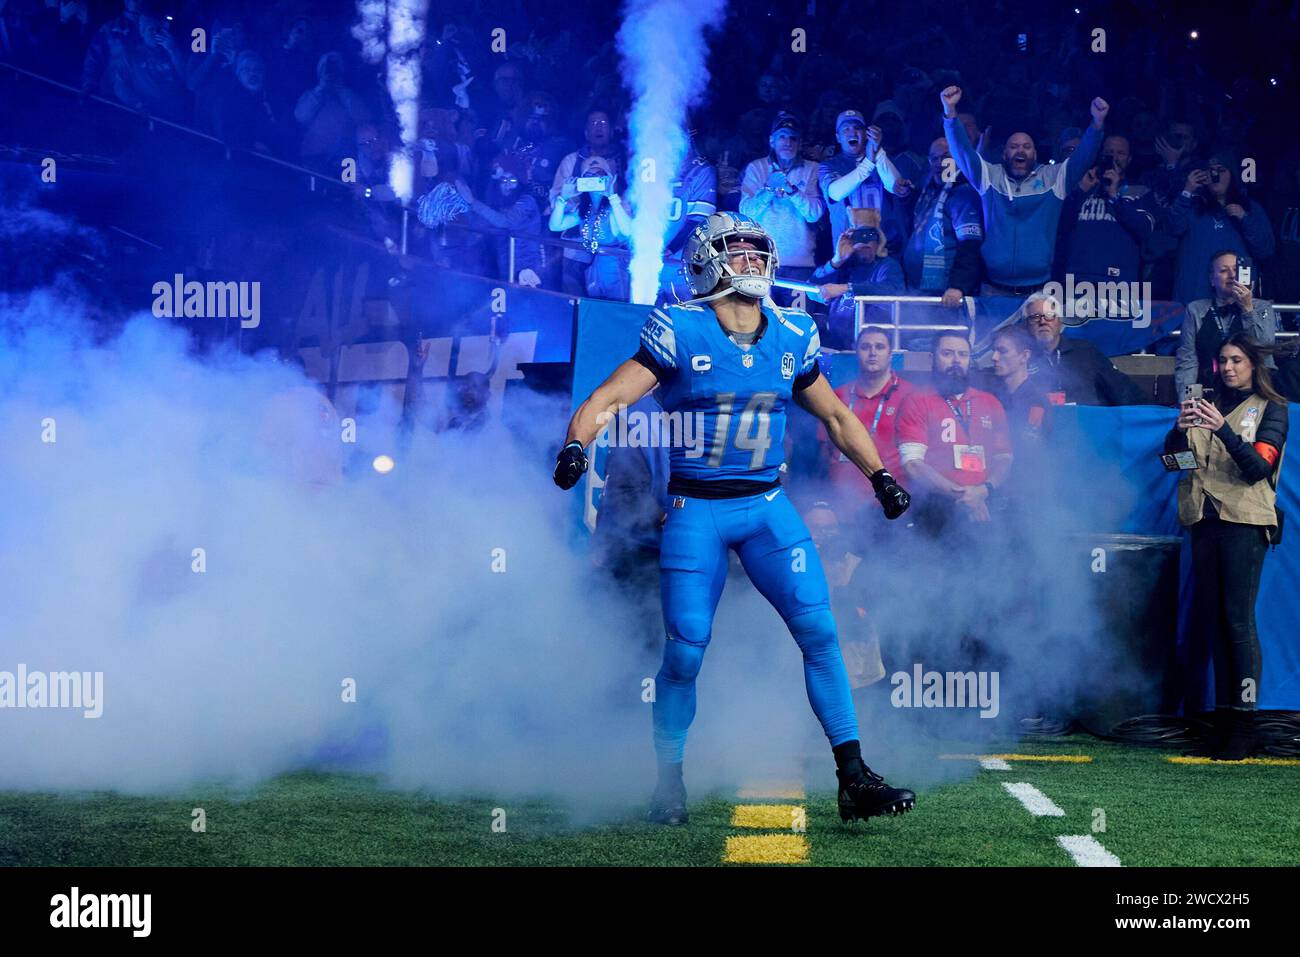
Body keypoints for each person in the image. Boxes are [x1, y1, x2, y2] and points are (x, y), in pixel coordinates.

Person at [552, 212, 915, 827]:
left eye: (756, 250)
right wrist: (575, 445)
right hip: (697, 508)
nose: (751, 260)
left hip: (767, 507)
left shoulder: (792, 332)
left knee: (822, 634)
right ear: (706, 262)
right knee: (686, 652)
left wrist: (880, 475)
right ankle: (669, 781)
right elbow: (608, 398)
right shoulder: (680, 329)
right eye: (737, 250)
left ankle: (854, 777)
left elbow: (834, 418)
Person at [1165, 334, 1288, 760]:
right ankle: (1222, 717)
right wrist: (1178, 436)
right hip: (1204, 520)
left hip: (1245, 523)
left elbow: (1257, 468)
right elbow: (1173, 465)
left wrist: (1223, 429)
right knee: (1214, 621)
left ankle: (1245, 723)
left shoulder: (1272, 408)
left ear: (1254, 365)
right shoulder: (1202, 409)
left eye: (1237, 360)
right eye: (1223, 360)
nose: (1229, 367)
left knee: (1237, 621)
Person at [940, 84, 1108, 296]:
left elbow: (1083, 157)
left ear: (1035, 154)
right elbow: (963, 152)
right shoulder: (989, 177)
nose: (1020, 150)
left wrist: (1097, 124)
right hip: (993, 288)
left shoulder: (1054, 178)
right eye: (1014, 146)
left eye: (1026, 146)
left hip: (1038, 291)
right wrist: (950, 112)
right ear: (1004, 154)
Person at [896, 332, 1013, 535]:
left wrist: (984, 490)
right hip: (936, 510)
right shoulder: (916, 401)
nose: (956, 361)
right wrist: (963, 495)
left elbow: (1004, 458)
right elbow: (913, 464)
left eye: (963, 354)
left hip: (984, 505)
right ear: (933, 358)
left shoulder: (990, 402)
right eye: (947, 353)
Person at [822, 326, 917, 521]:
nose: (873, 353)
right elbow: (824, 451)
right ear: (856, 352)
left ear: (890, 354)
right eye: (866, 347)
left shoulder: (911, 396)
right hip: (841, 503)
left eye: (880, 347)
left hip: (889, 504)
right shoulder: (837, 396)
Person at [1167, 151, 1275, 306]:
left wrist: (1245, 218)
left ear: (1233, 175)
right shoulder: (1191, 206)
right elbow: (1172, 228)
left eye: (1221, 170)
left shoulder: (1250, 208)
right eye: (1210, 171)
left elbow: (1265, 249)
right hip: (1195, 301)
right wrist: (1187, 191)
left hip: (1237, 302)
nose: (1215, 175)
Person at [738, 113, 824, 295]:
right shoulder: (756, 168)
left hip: (800, 264)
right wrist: (768, 189)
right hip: (761, 262)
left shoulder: (813, 169)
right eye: (782, 136)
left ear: (800, 144)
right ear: (771, 141)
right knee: (760, 322)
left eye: (793, 138)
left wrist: (792, 191)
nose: (788, 142)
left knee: (797, 322)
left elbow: (814, 213)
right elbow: (746, 213)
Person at [1174, 251, 1279, 398]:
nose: (1232, 275)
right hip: (1210, 391)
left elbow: (1264, 351)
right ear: (1212, 279)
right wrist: (1187, 400)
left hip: (1255, 392)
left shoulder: (1262, 307)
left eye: (1237, 270)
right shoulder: (1196, 309)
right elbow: (1188, 361)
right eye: (1224, 270)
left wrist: (1247, 309)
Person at [1056, 135, 1156, 285]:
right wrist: (1081, 192)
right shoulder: (1083, 187)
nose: (1114, 157)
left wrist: (1115, 197)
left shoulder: (1140, 192)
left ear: (1129, 159)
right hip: (1077, 278)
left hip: (1120, 282)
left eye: (1120, 153)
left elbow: (1144, 229)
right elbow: (1058, 224)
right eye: (1109, 152)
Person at [1020, 292, 1146, 406]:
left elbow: (1122, 390)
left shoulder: (1086, 352)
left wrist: (1157, 415)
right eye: (1035, 317)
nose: (1043, 321)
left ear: (1059, 321)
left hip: (1086, 426)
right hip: (1038, 428)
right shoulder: (1020, 357)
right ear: (1026, 324)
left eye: (1049, 315)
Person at [818, 110, 912, 256]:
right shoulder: (829, 166)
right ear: (838, 137)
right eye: (846, 129)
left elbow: (895, 187)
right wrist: (868, 162)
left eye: (858, 128)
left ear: (866, 134)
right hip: (848, 251)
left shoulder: (882, 159)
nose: (852, 133)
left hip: (884, 250)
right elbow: (835, 193)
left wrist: (877, 149)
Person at [902, 136, 983, 304]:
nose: (940, 163)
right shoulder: (928, 191)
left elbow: (970, 246)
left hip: (946, 294)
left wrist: (958, 286)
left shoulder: (963, 194)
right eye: (934, 158)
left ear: (958, 159)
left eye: (946, 156)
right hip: (916, 289)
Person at [549, 155, 632, 300]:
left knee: (615, 313)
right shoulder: (584, 210)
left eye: (599, 174)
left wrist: (612, 197)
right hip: (594, 269)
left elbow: (627, 231)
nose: (594, 179)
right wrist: (563, 198)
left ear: (609, 177)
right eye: (588, 175)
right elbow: (555, 226)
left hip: (617, 270)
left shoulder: (617, 205)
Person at [810, 225, 905, 348]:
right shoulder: (843, 266)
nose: (864, 240)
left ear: (879, 243)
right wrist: (836, 261)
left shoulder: (887, 265)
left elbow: (893, 290)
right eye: (859, 236)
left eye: (870, 236)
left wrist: (848, 288)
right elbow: (811, 291)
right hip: (837, 343)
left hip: (873, 343)